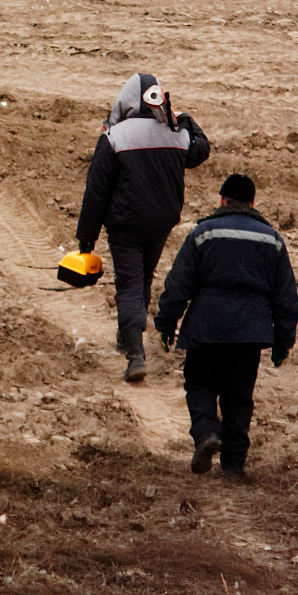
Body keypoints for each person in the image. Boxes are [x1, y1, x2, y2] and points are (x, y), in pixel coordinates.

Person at [154, 173, 298, 479]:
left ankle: (207, 432)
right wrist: (283, 342)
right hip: (251, 329)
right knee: (239, 395)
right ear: (253, 203)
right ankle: (234, 463)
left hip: (207, 325)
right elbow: (285, 295)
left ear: (222, 200)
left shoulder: (204, 233)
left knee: (200, 383)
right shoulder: (272, 239)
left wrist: (167, 322)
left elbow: (179, 282)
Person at [73, 72, 210, 384]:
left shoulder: (115, 137)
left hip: (125, 225)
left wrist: (86, 239)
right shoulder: (175, 134)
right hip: (161, 222)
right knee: (143, 277)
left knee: (130, 284)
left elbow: (97, 191)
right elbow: (202, 148)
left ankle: (135, 354)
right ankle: (128, 337)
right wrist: (184, 118)